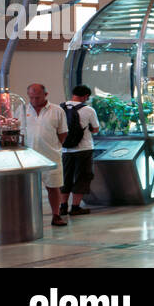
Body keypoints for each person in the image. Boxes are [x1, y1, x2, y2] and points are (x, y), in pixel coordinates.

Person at [22, 83, 68, 227]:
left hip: (51, 156)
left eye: (37, 97)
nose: (34, 100)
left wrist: (54, 147)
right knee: (27, 189)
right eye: (31, 97)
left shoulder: (57, 111)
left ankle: (56, 215)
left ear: (46, 95)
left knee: (53, 187)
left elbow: (63, 133)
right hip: (28, 157)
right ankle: (28, 217)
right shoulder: (22, 109)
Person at [60, 85, 100, 217]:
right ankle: (76, 207)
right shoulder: (88, 110)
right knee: (82, 177)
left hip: (65, 149)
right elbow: (95, 129)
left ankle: (63, 206)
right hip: (84, 149)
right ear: (85, 97)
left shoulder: (60, 108)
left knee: (65, 178)